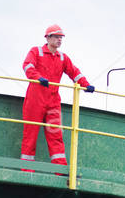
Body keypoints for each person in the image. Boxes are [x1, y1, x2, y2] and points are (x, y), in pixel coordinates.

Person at [20, 24, 94, 168]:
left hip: (53, 101)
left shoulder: (62, 57)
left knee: (56, 136)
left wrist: (85, 84)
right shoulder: (36, 51)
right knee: (31, 134)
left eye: (61, 37)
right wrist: (37, 77)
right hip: (35, 100)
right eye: (56, 37)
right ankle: (27, 168)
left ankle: (60, 169)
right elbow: (27, 65)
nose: (60, 40)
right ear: (48, 38)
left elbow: (74, 72)